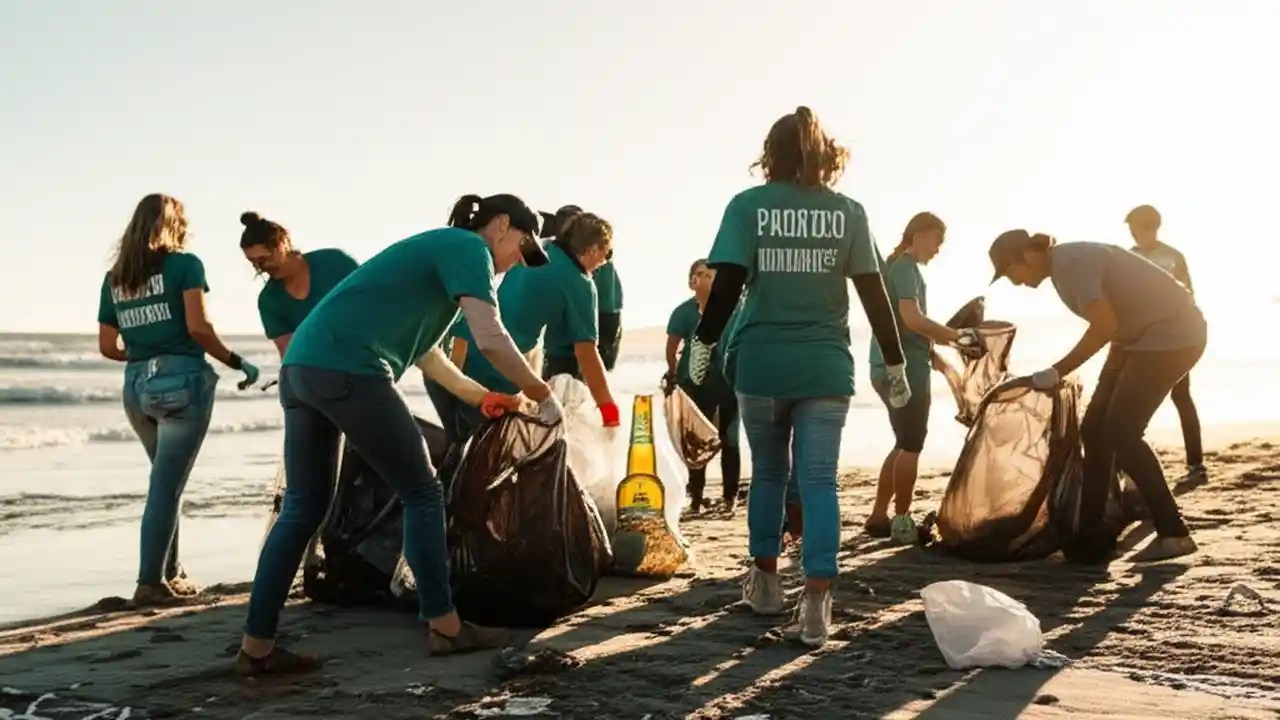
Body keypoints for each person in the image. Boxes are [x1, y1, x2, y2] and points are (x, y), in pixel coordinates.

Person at [236, 193, 565, 676]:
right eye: (521, 245)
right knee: (423, 490)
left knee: (304, 508)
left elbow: (429, 355)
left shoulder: (437, 254)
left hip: (302, 372)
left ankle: (256, 648)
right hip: (350, 369)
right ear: (499, 225)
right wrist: (544, 395)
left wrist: (481, 398)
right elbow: (491, 339)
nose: (517, 260)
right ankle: (446, 625)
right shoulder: (468, 250)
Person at [689, 106, 910, 647]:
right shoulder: (849, 212)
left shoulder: (749, 207)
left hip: (762, 364)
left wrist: (703, 341)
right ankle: (816, 605)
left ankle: (766, 587)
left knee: (767, 474)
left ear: (771, 154)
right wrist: (896, 359)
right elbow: (873, 293)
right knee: (819, 482)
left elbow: (728, 285)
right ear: (826, 155)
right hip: (825, 368)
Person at [989, 229, 1207, 563]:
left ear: (1028, 256)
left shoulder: (1070, 265)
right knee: (1094, 430)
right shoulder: (1062, 266)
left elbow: (1104, 325)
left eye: (1010, 271)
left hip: (1172, 335)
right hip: (1136, 339)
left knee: (1123, 432)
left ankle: (1173, 533)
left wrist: (1058, 370)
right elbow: (1115, 324)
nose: (1013, 281)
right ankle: (1092, 534)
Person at [96, 194, 260, 605]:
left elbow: (107, 346)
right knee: (166, 486)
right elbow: (199, 328)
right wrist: (237, 361)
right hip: (180, 382)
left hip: (136, 388)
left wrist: (141, 353)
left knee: (164, 482)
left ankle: (170, 572)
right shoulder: (186, 265)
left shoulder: (116, 277)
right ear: (173, 225)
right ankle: (149, 583)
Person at [866, 212, 981, 544]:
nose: (938, 249)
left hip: (889, 366)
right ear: (919, 234)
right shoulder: (905, 268)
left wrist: (940, 358)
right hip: (902, 371)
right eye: (937, 240)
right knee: (912, 445)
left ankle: (878, 516)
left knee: (903, 441)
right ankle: (902, 522)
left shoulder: (898, 268)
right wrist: (956, 336)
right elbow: (912, 318)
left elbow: (905, 328)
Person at [455, 210, 620, 432]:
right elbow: (587, 354)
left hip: (461, 349)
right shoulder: (580, 283)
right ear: (592, 250)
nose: (603, 262)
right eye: (605, 253)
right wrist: (608, 409)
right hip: (500, 368)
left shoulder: (538, 248)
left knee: (462, 441)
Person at [1126, 204, 1205, 484]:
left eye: (1135, 228)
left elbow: (1188, 295)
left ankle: (1196, 464)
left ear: (1150, 227)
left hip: (1173, 341)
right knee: (1131, 403)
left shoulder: (1172, 257)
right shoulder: (1129, 257)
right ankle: (1128, 463)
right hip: (1138, 341)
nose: (1133, 234)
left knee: (1180, 397)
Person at [663, 258, 742, 514]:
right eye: (698, 274)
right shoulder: (684, 312)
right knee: (697, 441)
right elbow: (672, 347)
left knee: (730, 438)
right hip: (695, 385)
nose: (704, 278)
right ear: (691, 282)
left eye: (710, 274)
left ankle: (729, 498)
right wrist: (673, 374)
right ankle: (695, 499)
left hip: (730, 382)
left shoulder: (735, 308)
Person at [241, 211, 358, 358]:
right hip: (323, 370)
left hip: (366, 359)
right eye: (254, 262)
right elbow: (291, 356)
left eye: (265, 258)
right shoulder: (270, 300)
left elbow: (371, 303)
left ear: (283, 243)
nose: (262, 266)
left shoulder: (334, 263)